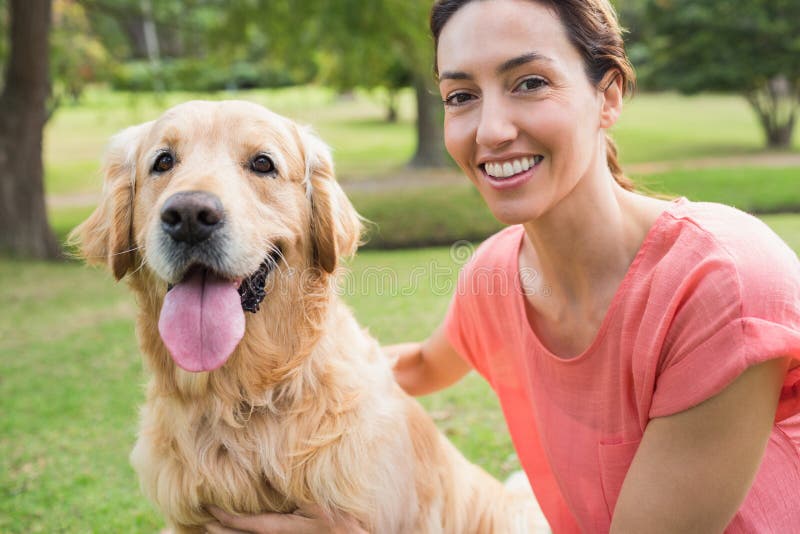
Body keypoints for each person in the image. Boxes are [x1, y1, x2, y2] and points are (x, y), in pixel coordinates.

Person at [207, 0, 800, 532]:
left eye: (530, 83)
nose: (490, 131)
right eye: (461, 96)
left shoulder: (720, 282)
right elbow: (419, 366)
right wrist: (268, 387)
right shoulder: (495, 275)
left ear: (609, 95)